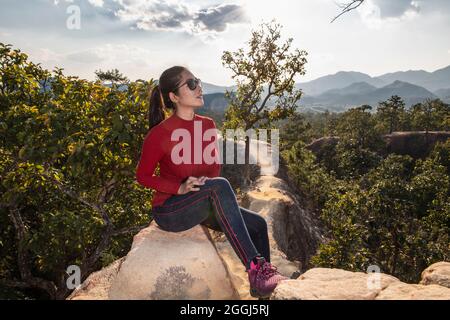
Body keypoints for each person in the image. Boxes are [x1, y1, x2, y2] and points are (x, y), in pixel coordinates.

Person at [135, 66, 288, 299]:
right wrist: (179, 187)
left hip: (200, 202)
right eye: (191, 84)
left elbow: (213, 168)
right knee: (220, 185)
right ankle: (256, 269)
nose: (199, 87)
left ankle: (260, 290)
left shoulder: (206, 125)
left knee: (257, 224)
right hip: (170, 211)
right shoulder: (159, 134)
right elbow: (143, 176)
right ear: (174, 97)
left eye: (197, 81)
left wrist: (205, 180)